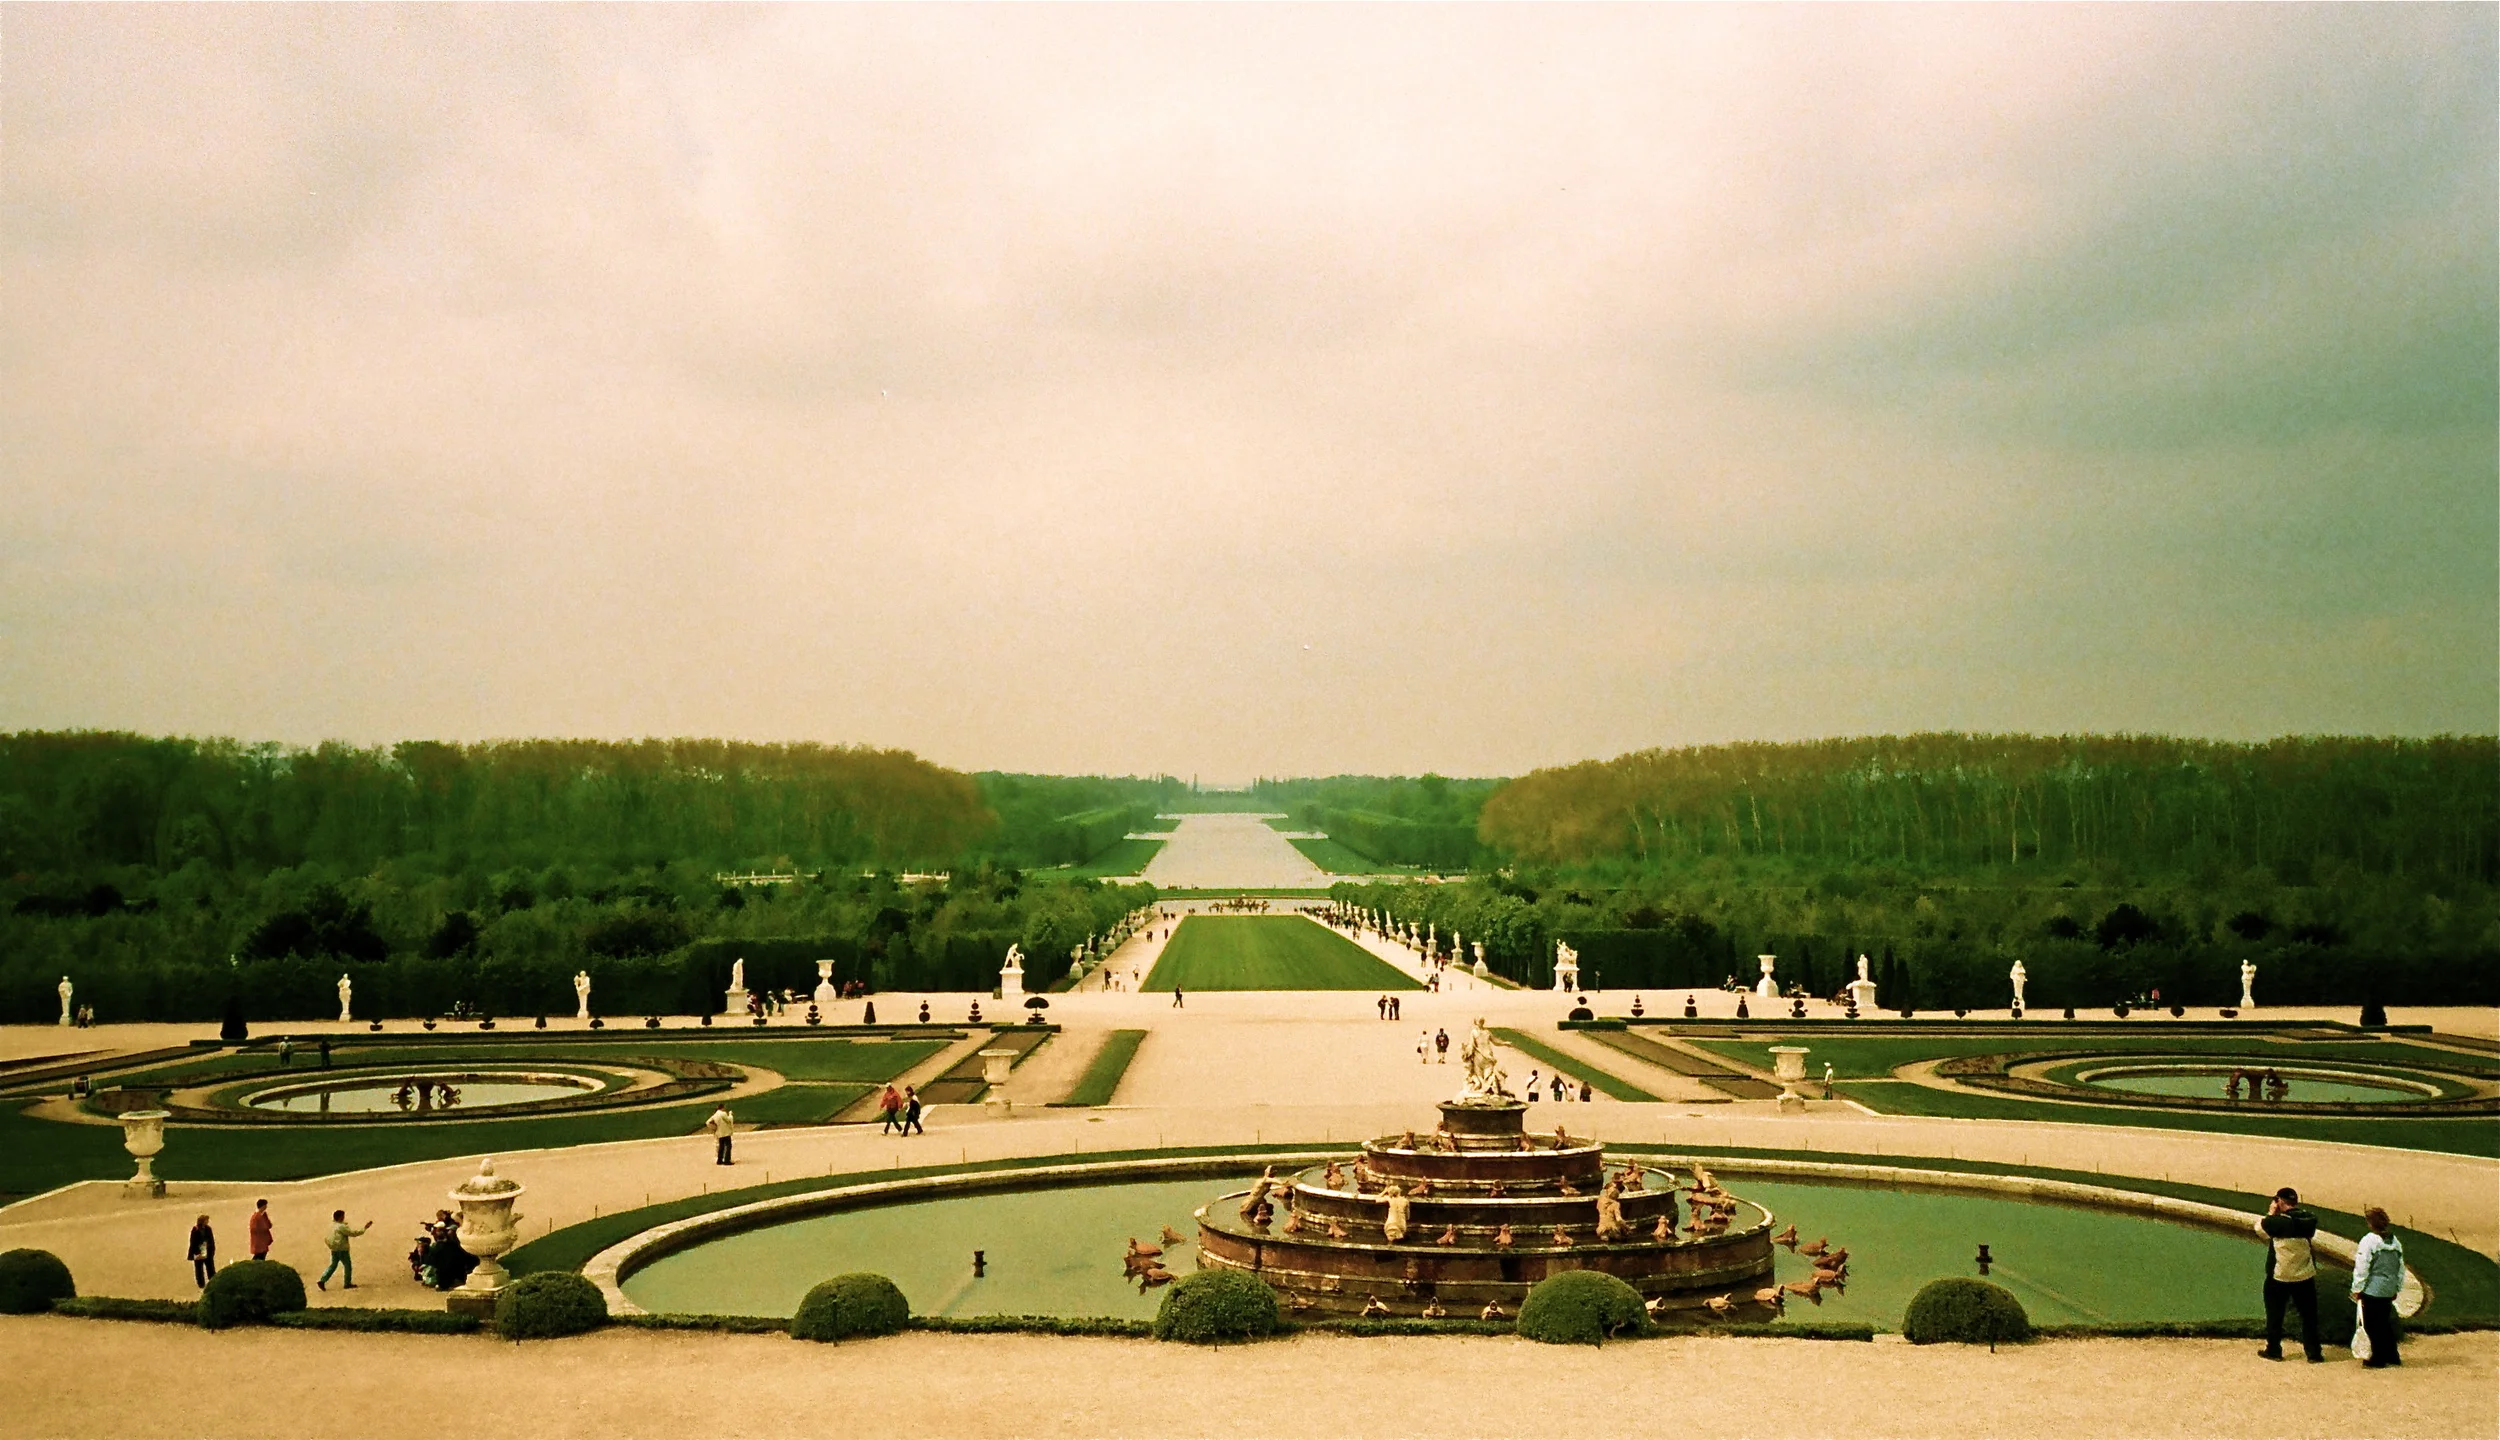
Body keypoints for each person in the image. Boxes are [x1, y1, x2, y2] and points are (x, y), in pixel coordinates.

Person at [2256, 1186, 2323, 1363]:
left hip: (2280, 1276)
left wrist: (2271, 1212)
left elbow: (2260, 1229)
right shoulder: (2309, 1219)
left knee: (2275, 1314)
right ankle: (2314, 1353)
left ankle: (2274, 1350)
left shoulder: (2277, 1222)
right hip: (2304, 1275)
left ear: (2280, 1202)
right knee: (2309, 1316)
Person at [2352, 1207, 2405, 1368]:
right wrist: (2397, 1287)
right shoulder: (2395, 1242)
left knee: (2372, 1324)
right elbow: (2400, 1268)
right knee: (2384, 1322)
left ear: (2370, 1223)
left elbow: (2362, 1266)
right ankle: (2392, 1355)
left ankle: (2376, 1358)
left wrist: (2357, 1287)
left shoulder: (2369, 1241)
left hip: (2372, 1288)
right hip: (2388, 1288)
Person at [316, 1209, 370, 1291]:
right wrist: (364, 1228)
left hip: (334, 1249)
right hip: (342, 1249)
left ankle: (322, 1280)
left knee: (333, 1265)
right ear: (341, 1217)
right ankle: (347, 1283)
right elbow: (353, 1233)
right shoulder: (341, 1227)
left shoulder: (332, 1225)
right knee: (347, 1266)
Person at [186, 1214, 217, 1289]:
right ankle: (201, 1284)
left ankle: (212, 1281)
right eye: (206, 1220)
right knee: (199, 1269)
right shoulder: (195, 1229)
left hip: (207, 1251)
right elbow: (193, 1242)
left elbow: (211, 1240)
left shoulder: (208, 1229)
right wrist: (195, 1253)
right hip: (198, 1252)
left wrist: (212, 1250)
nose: (207, 1222)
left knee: (210, 1267)